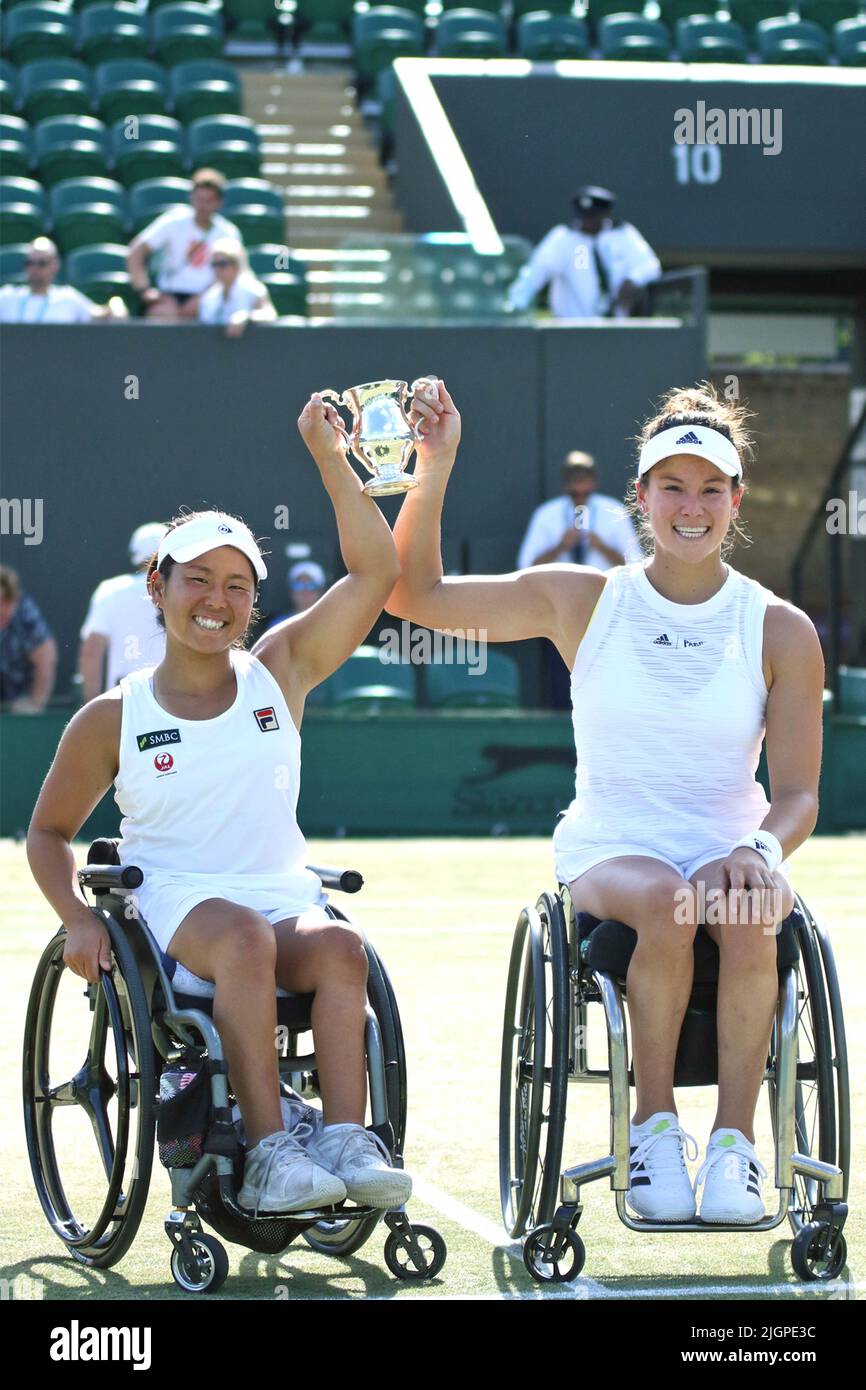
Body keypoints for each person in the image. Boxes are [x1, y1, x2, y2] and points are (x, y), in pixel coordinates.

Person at [386, 379, 823, 1225]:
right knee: (666, 898)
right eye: (672, 487)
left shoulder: (779, 628)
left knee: (749, 908)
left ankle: (736, 1143)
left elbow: (799, 792)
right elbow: (415, 596)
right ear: (642, 495)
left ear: (735, 501)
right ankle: (653, 1132)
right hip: (610, 850)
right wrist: (433, 465)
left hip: (733, 851)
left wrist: (760, 851)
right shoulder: (582, 598)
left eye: (709, 490)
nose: (690, 507)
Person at [27, 398, 412, 1218]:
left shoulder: (283, 670)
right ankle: (271, 1154)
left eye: (236, 586)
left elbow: (377, 574)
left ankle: (346, 1140)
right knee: (239, 937)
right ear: (157, 588)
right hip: (178, 904)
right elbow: (48, 832)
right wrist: (77, 919)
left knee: (342, 948)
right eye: (197, 579)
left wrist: (325, 454)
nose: (216, 598)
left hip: (283, 894)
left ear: (252, 603)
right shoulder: (113, 715)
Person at [518, 451, 642, 707]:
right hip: (558, 609)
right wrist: (560, 545)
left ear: (594, 483)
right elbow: (525, 567)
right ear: (566, 485)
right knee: (562, 679)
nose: (580, 495)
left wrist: (601, 546)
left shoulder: (613, 511)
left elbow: (636, 566)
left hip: (605, 607)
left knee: (605, 676)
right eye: (575, 490)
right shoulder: (547, 515)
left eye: (584, 489)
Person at [507, 185, 661, 320]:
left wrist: (633, 280)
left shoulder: (623, 235)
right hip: (573, 329)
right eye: (584, 216)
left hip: (615, 328)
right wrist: (514, 305)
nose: (588, 222)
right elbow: (535, 273)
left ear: (606, 214)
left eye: (593, 216)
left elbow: (651, 266)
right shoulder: (563, 239)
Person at [127, 169, 241, 322]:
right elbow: (136, 252)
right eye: (199, 199)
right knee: (160, 314)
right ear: (191, 197)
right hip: (169, 296)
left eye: (209, 200)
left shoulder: (229, 233)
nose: (202, 206)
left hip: (211, 299)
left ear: (219, 203)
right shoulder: (173, 221)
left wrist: (202, 300)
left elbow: (235, 273)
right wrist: (144, 290)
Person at [78, 522, 168, 703]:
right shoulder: (182, 591)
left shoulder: (110, 591)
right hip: (173, 697)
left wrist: (92, 708)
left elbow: (91, 651)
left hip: (123, 699)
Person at [0, 238, 128, 323]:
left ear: (54, 266)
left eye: (41, 263)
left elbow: (103, 315)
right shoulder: (6, 296)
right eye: (30, 263)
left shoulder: (68, 298)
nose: (34, 268)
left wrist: (116, 303)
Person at [0, 566, 57, 711]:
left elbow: (46, 657)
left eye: (9, 601)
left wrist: (34, 704)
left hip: (18, 708)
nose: (4, 609)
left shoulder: (25, 612)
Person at [198, 239, 276, 337]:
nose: (217, 270)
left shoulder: (253, 289)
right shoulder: (209, 297)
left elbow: (270, 315)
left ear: (237, 265)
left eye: (223, 264)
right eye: (214, 265)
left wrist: (246, 317)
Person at [266, 560, 327, 631]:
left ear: (321, 590)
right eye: (298, 585)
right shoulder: (278, 625)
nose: (305, 590)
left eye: (311, 585)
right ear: (291, 591)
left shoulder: (332, 622)